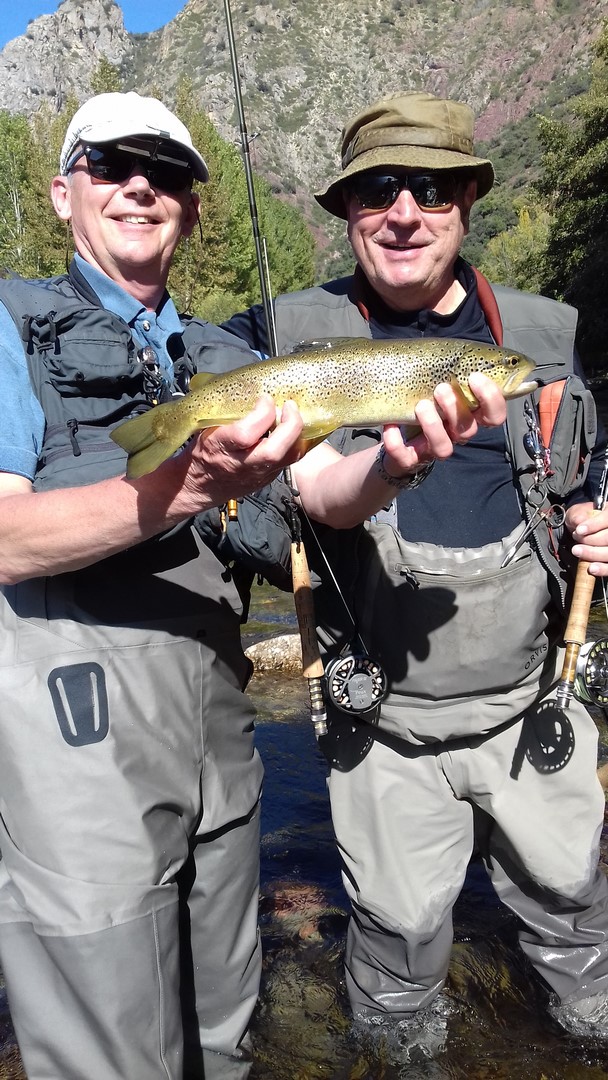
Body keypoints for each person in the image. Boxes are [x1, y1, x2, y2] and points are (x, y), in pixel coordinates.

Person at [0, 90, 502, 1080]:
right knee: (108, 1050)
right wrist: (177, 485)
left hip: (220, 724)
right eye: (111, 164)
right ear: (64, 195)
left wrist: (399, 459)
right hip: (72, 726)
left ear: (189, 207)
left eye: (170, 173)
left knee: (223, 1025)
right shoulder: (13, 328)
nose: (142, 184)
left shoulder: (227, 355)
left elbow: (321, 492)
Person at [223, 90, 608, 1051]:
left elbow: (588, 480)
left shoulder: (543, 343)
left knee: (580, 921)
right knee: (397, 962)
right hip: (384, 727)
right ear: (350, 210)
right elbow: (315, 495)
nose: (404, 210)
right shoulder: (284, 335)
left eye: (431, 187)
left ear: (468, 200)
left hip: (534, 706)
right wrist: (394, 465)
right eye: (378, 190)